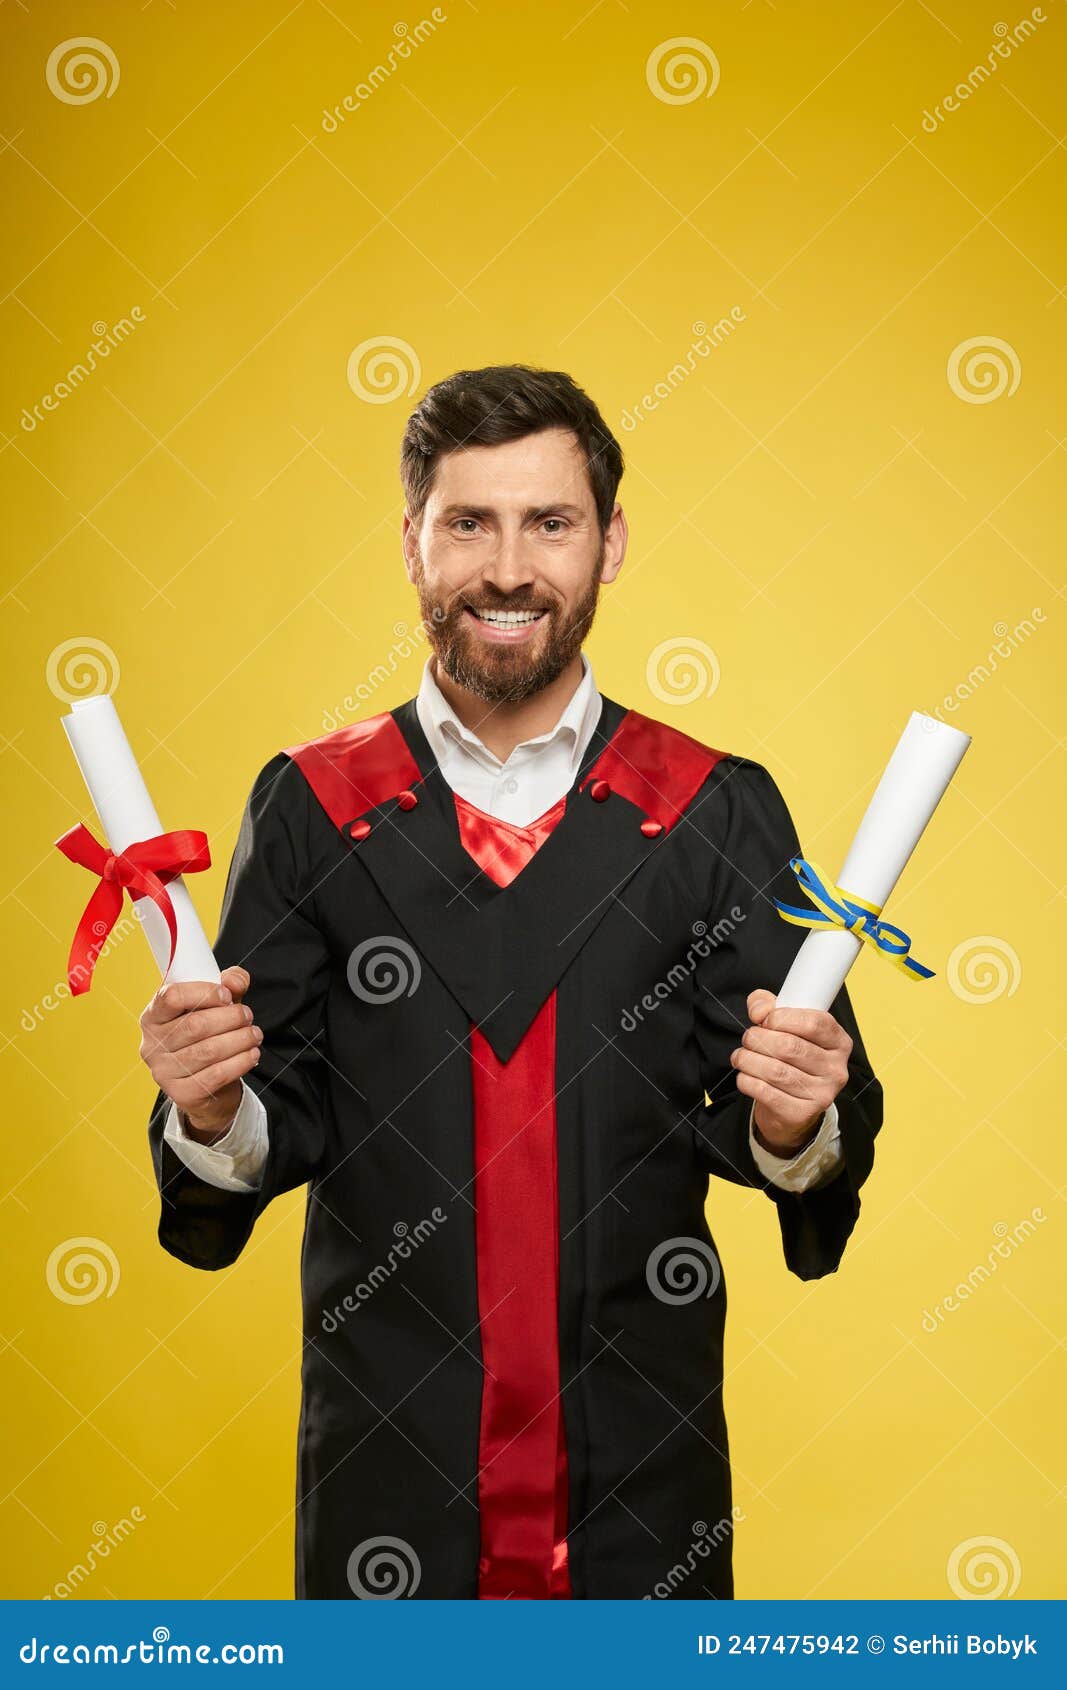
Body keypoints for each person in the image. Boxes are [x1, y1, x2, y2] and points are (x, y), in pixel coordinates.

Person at [141, 364, 882, 1601]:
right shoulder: (317, 804)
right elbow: (276, 1119)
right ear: (411, 543)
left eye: (549, 522)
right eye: (467, 523)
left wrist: (792, 1120)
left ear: (609, 542)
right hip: (390, 1469)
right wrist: (213, 1109)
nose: (505, 568)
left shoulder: (709, 808)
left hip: (639, 1476)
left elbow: (794, 1129)